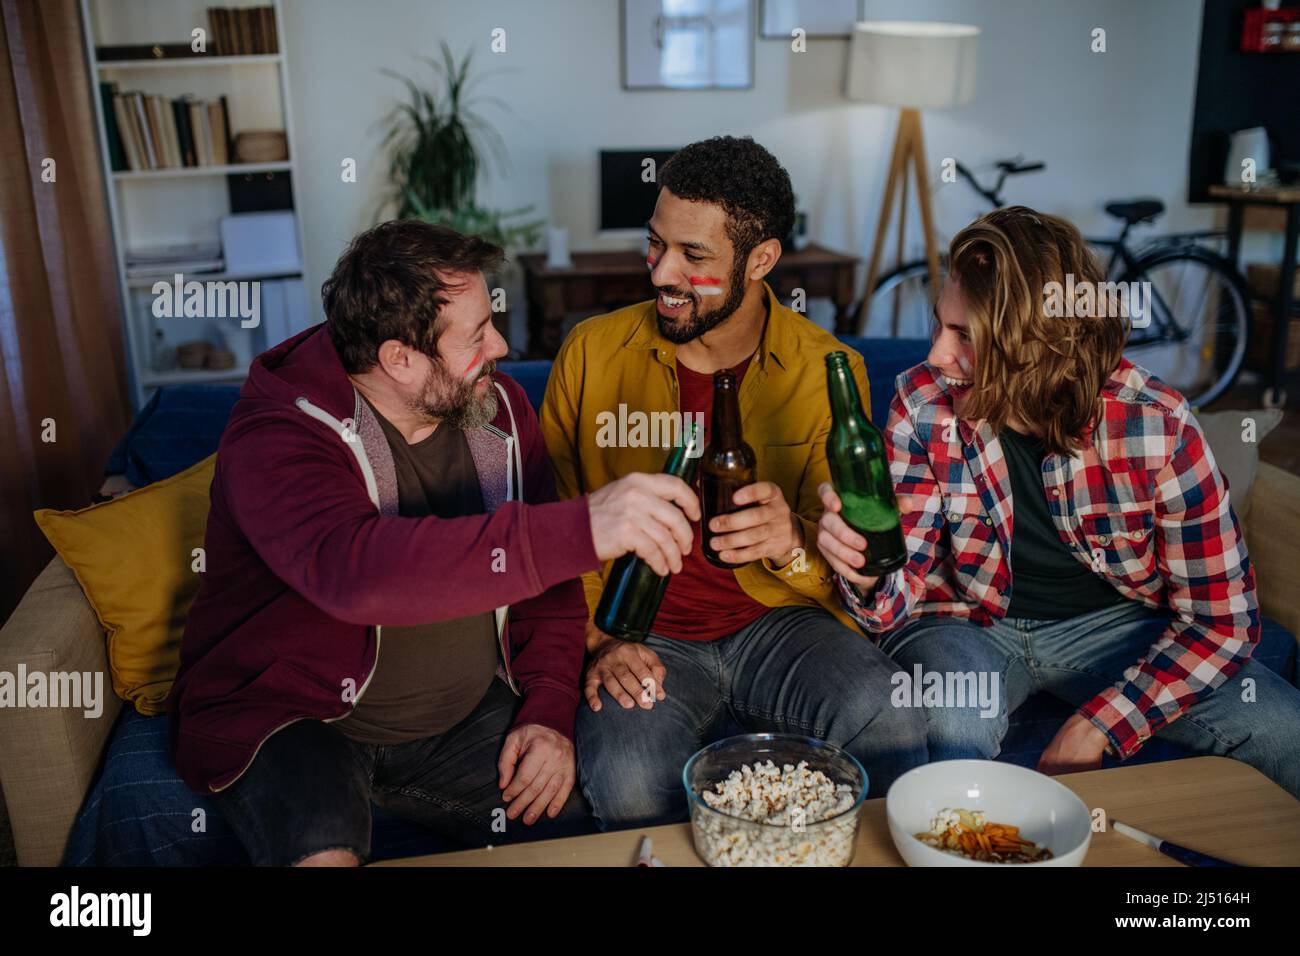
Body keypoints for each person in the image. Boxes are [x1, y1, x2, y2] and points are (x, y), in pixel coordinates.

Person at [169, 220, 701, 865]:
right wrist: (583, 527)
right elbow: (357, 571)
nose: (501, 346)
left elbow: (547, 593)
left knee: (596, 845)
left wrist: (546, 710)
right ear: (399, 358)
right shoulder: (277, 432)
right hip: (295, 721)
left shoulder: (500, 411)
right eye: (476, 336)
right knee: (322, 855)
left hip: (459, 723)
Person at [818, 206, 1300, 797]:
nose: (937, 355)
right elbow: (897, 597)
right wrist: (867, 572)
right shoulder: (920, 404)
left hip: (1118, 625)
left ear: (1037, 342)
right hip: (967, 621)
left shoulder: (1158, 426)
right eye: (940, 326)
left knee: (1284, 729)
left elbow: (1223, 621)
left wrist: (1102, 723)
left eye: (965, 335)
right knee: (951, 720)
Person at [541, 136, 928, 830]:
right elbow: (548, 526)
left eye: (694, 256)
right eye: (655, 244)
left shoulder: (826, 368)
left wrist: (792, 543)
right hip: (642, 634)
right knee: (630, 782)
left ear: (761, 260)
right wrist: (601, 640)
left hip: (781, 622)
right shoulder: (590, 353)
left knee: (892, 716)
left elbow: (847, 569)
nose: (663, 273)